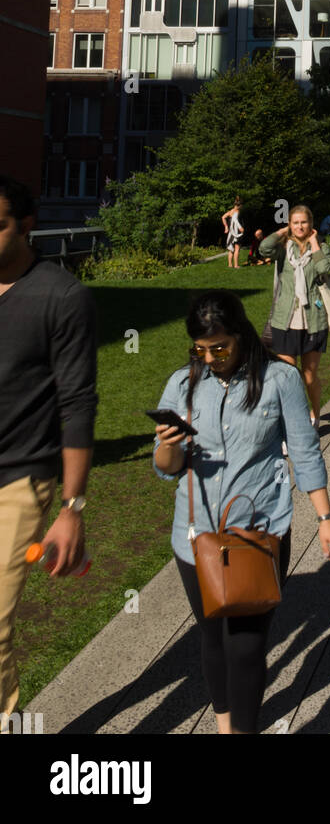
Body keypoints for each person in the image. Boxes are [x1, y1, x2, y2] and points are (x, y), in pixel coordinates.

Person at [152, 290, 330, 735]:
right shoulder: (182, 384)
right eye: (201, 349)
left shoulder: (279, 379)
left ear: (240, 334)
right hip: (194, 536)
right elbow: (165, 470)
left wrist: (325, 517)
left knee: (246, 645)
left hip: (259, 532)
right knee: (213, 637)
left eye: (221, 347)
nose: (211, 357)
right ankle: (224, 726)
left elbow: (304, 450)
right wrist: (167, 447)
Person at [0, 177, 98, 726]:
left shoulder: (61, 296)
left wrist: (72, 509)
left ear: (27, 224)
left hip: (18, 478)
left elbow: (79, 404)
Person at [258, 206, 330, 428]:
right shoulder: (283, 248)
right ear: (290, 225)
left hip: (313, 319)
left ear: (311, 224)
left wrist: (315, 244)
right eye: (295, 223)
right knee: (288, 378)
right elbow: (264, 248)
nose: (300, 227)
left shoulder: (322, 247)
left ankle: (315, 414)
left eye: (304, 222)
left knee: (309, 376)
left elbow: (325, 268)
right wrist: (283, 232)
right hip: (285, 320)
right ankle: (291, 424)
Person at [221, 197, 245, 270]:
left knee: (231, 249)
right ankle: (236, 265)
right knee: (237, 248)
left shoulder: (231, 211)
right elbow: (235, 220)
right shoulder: (237, 211)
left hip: (231, 232)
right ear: (240, 205)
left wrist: (226, 227)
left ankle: (230, 264)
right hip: (236, 232)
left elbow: (223, 217)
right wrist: (241, 228)